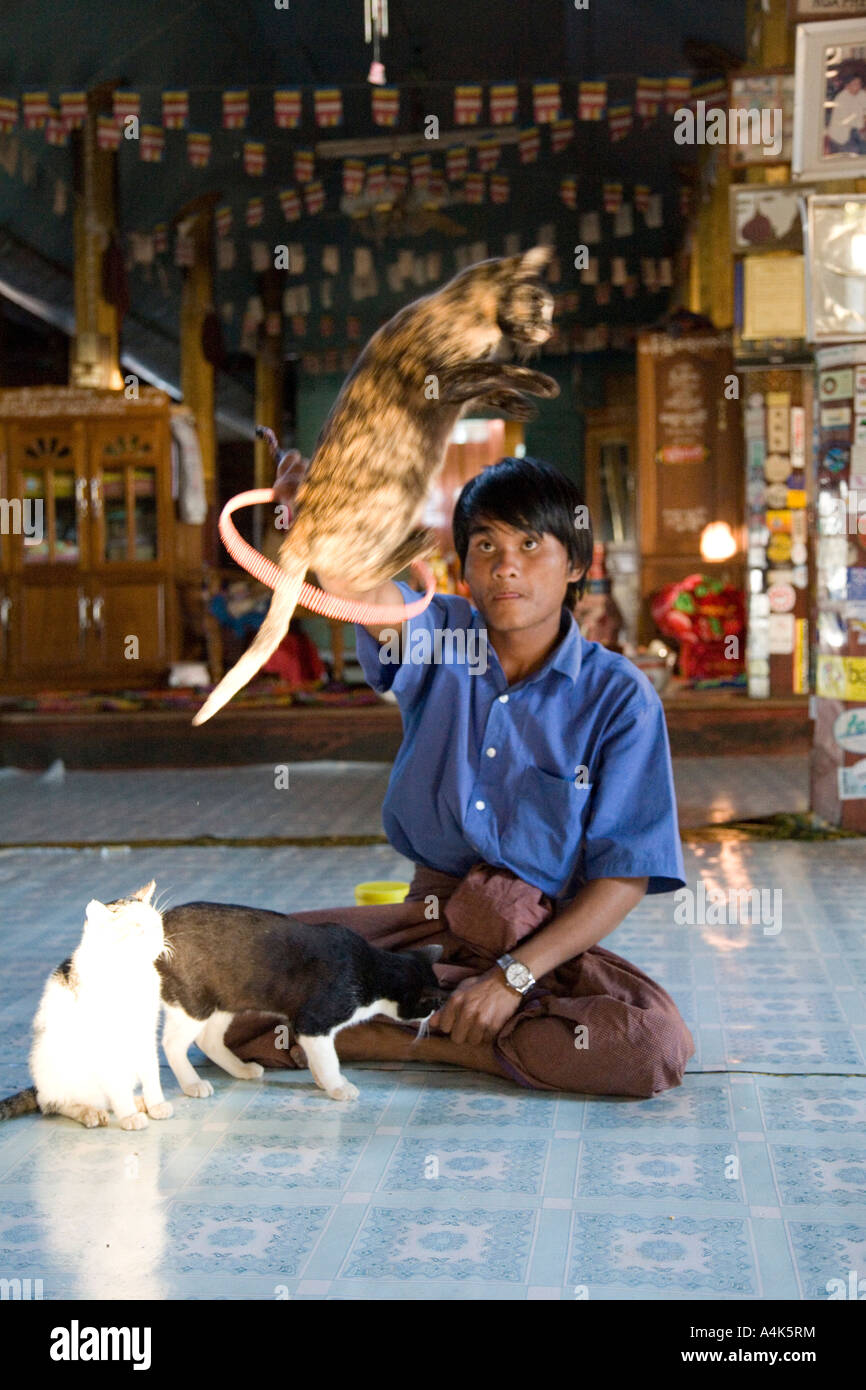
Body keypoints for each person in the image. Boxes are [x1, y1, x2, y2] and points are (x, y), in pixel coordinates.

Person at [225, 453, 694, 1097]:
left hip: (540, 941)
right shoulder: (440, 633)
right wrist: (314, 519)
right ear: (465, 567)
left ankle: (399, 1035)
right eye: (485, 544)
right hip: (427, 925)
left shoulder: (620, 697)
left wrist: (510, 981)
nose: (506, 564)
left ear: (577, 563)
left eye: (531, 544)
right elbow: (358, 588)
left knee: (651, 1048)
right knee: (232, 990)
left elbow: (624, 875)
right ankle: (452, 1029)